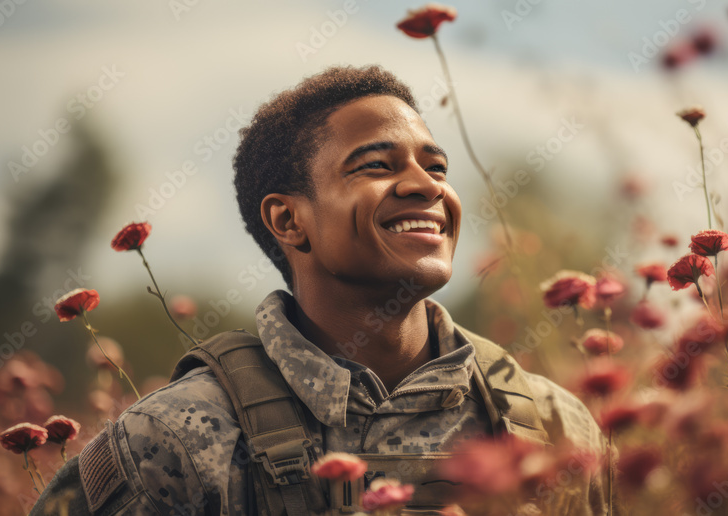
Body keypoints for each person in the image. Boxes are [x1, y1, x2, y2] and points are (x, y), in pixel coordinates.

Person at [31, 65, 606, 515]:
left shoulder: (556, 425)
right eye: (375, 165)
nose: (424, 185)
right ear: (288, 221)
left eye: (436, 167)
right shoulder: (173, 439)